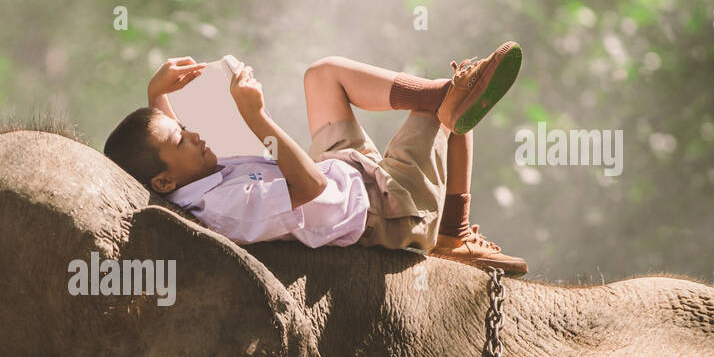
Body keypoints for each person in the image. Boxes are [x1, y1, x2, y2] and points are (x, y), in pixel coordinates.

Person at [103, 44, 528, 275]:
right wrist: (256, 116)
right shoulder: (220, 209)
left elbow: (164, 144)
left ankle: (445, 94)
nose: (194, 133)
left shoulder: (184, 181)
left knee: (322, 74)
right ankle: (452, 232)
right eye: (182, 139)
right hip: (382, 206)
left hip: (345, 169)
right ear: (162, 182)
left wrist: (156, 93)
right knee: (440, 116)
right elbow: (310, 189)